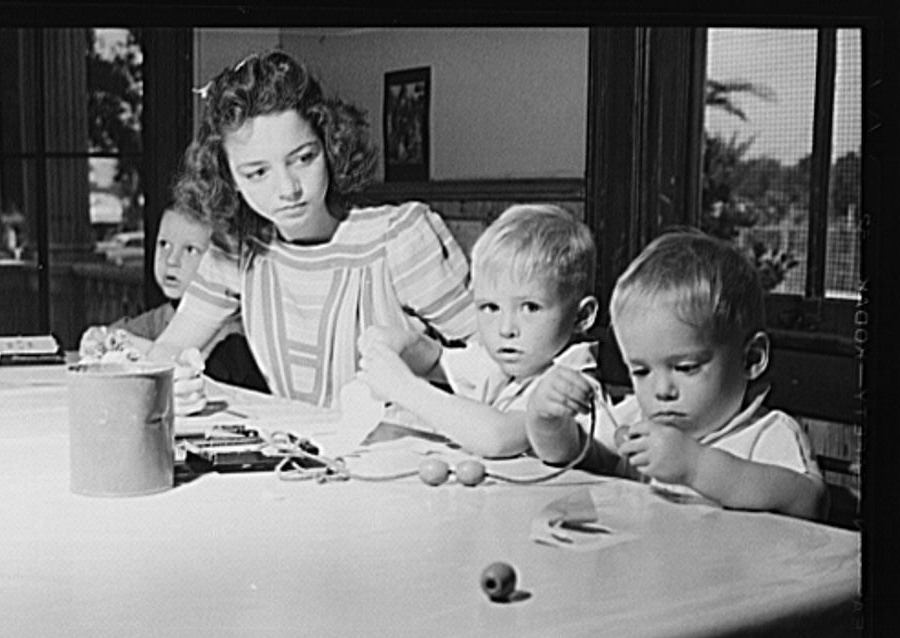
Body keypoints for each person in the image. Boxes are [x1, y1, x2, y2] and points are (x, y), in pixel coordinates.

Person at [146, 50, 477, 411]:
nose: (288, 189)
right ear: (228, 177)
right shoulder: (238, 248)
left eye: (304, 158)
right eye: (257, 173)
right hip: (299, 444)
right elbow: (169, 348)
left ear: (330, 144)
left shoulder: (398, 238)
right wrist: (174, 382)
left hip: (409, 441)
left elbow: (502, 364)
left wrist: (428, 357)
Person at [527, 228, 827, 521]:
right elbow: (576, 457)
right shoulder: (635, 418)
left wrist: (696, 467)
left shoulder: (766, 433)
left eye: (685, 368)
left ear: (751, 359)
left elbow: (811, 502)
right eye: (641, 371)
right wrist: (546, 421)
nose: (662, 390)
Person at [356, 204, 600, 459]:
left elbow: (498, 438)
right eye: (491, 307)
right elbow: (438, 362)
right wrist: (405, 345)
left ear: (581, 316)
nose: (505, 329)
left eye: (530, 307)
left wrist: (404, 389)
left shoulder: (570, 379)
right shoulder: (514, 361)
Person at [79, 202, 267, 392]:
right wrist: (100, 338)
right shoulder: (161, 316)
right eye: (164, 244)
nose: (171, 260)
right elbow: (122, 333)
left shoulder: (234, 330)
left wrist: (130, 345)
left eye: (190, 250)